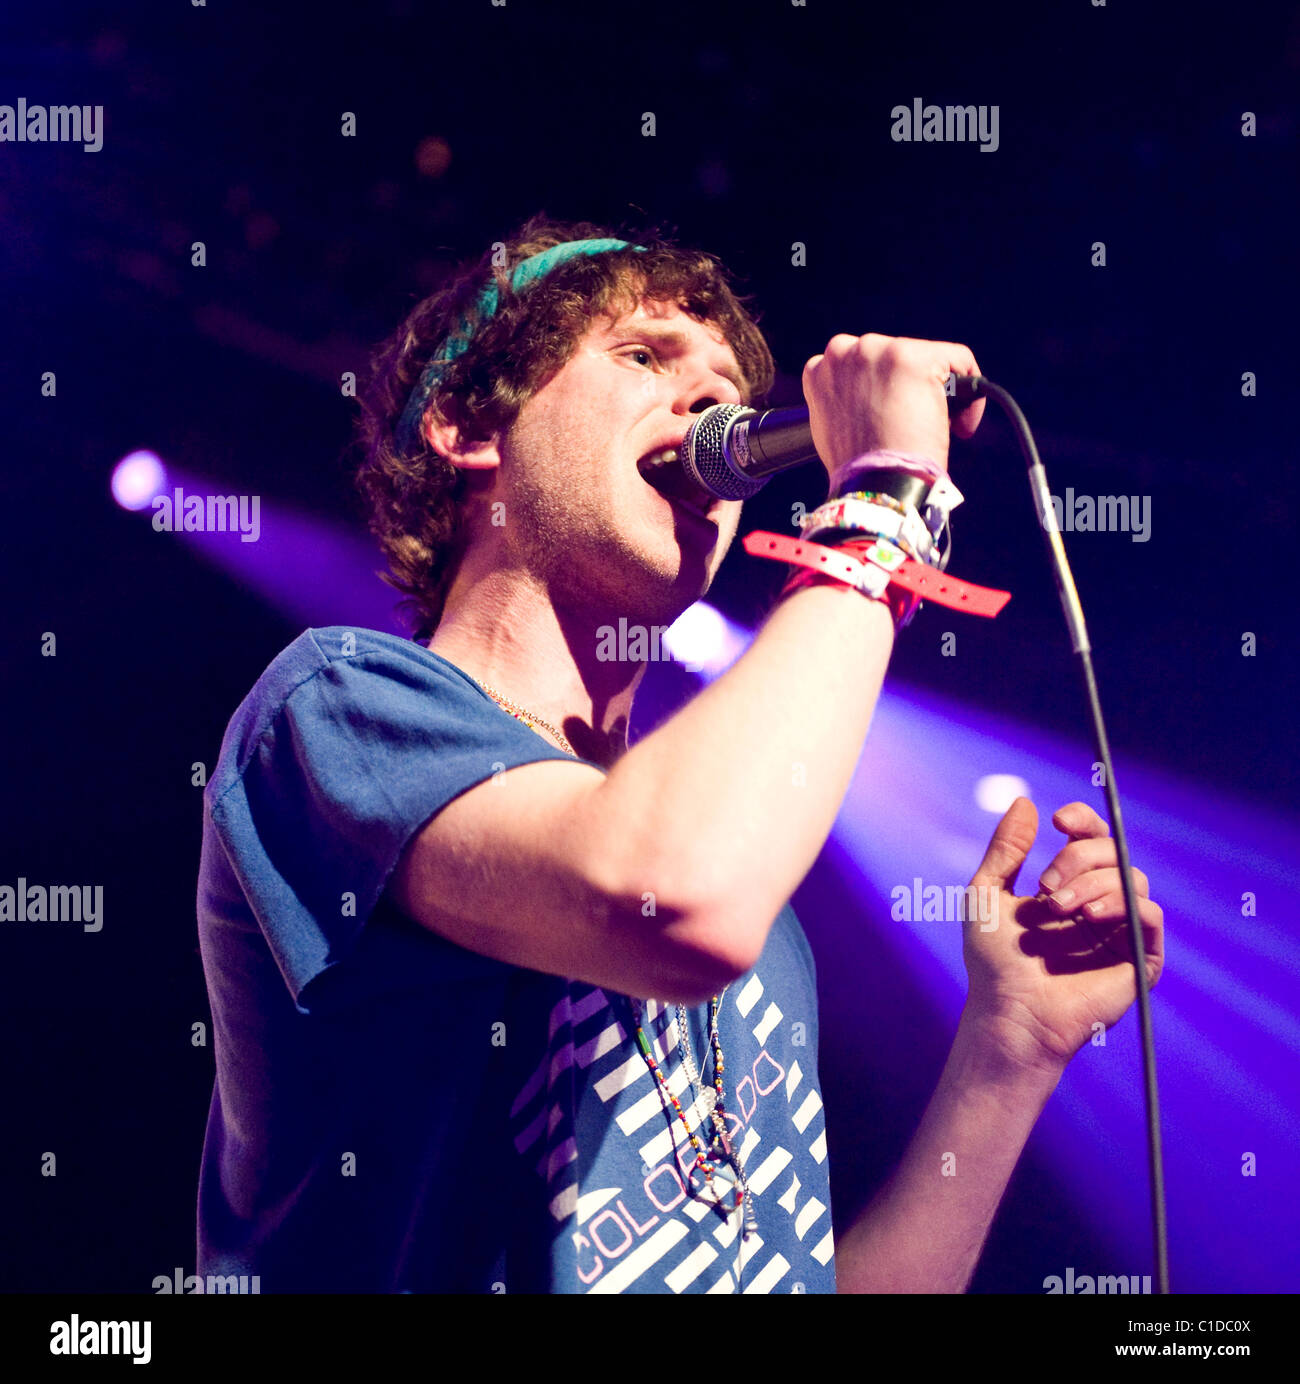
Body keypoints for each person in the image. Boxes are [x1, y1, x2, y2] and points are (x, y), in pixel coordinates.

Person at [195, 215, 1164, 1294]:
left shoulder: (766, 927)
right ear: (472, 424)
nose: (711, 406)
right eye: (645, 358)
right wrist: (883, 506)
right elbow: (667, 890)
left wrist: (1006, 1055)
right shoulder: (340, 707)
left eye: (724, 388)